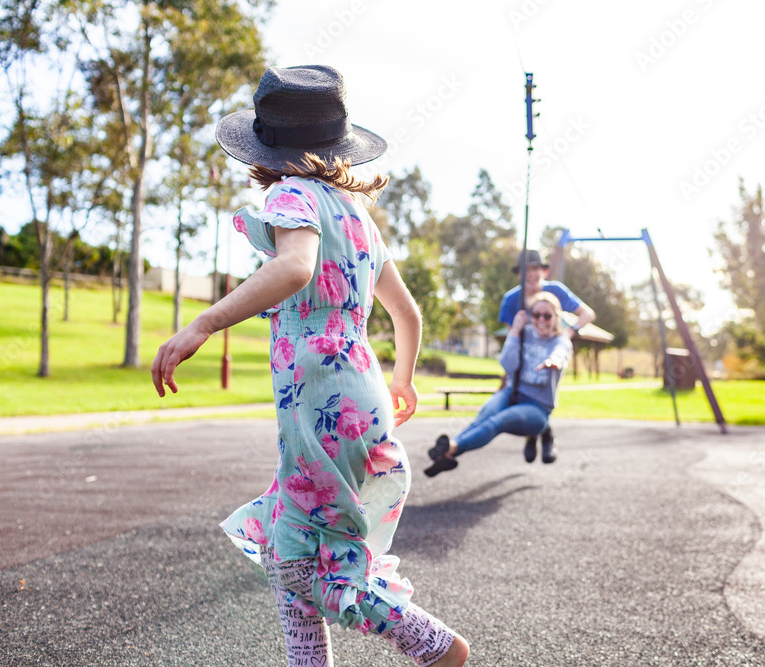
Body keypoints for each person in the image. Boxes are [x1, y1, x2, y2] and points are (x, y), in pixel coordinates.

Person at [151, 65, 468, 667]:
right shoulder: (356, 215)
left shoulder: (290, 196)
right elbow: (408, 313)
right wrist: (401, 379)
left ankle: (432, 644)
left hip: (318, 391)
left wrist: (203, 323)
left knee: (297, 557)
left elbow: (295, 268)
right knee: (284, 537)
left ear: (268, 149)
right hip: (360, 384)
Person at [425, 291, 573, 477]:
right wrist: (514, 331)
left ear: (556, 317)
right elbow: (507, 364)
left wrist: (554, 360)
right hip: (512, 393)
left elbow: (561, 351)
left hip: (537, 407)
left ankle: (452, 447)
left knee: (498, 421)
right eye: (536, 315)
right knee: (483, 417)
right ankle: (446, 455)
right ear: (530, 317)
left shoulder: (560, 340)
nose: (541, 319)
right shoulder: (524, 334)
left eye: (547, 315)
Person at [498, 249, 595, 464]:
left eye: (535, 269)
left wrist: (571, 331)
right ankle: (534, 434)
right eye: (526, 270)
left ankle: (545, 434)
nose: (531, 274)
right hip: (525, 356)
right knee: (520, 395)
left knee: (545, 392)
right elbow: (511, 334)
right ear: (519, 274)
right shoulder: (511, 299)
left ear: (544, 271)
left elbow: (588, 314)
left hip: (551, 353)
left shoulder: (556, 291)